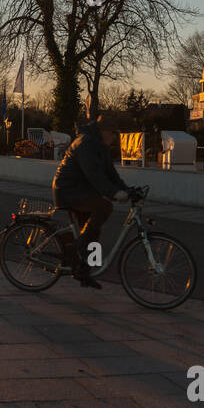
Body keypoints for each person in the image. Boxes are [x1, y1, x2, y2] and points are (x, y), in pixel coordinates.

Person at [52, 114, 130, 289]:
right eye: (112, 134)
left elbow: (110, 173)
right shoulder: (86, 143)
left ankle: (84, 271)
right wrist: (113, 193)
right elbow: (94, 174)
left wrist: (126, 190)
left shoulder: (100, 146)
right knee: (104, 207)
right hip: (68, 190)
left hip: (81, 190)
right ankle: (73, 248)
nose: (114, 138)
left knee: (93, 231)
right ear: (103, 132)